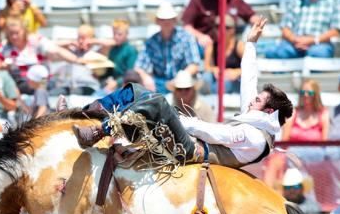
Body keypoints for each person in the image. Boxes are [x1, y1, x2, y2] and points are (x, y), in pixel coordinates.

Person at [75, 16, 293, 170]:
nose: (253, 99)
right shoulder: (256, 121)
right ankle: (85, 115)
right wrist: (251, 44)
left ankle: (99, 132)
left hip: (194, 150)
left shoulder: (255, 136)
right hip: (192, 141)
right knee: (137, 89)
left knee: (156, 101)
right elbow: (249, 79)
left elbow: (213, 134)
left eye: (259, 99)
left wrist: (177, 119)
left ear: (269, 110)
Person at [0, 17, 82, 94]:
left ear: (24, 31)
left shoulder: (37, 41)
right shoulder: (4, 47)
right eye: (11, 34)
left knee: (55, 89)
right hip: (19, 84)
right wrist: (1, 66)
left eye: (17, 33)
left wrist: (77, 61)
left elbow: (56, 51)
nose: (14, 37)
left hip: (43, 81)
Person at [134, 2, 202, 94]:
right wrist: (146, 78)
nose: (166, 22)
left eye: (169, 19)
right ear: (157, 21)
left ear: (175, 20)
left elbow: (194, 65)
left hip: (183, 83)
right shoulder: (151, 42)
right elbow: (138, 67)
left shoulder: (186, 37)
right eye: (163, 19)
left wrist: (180, 78)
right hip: (159, 83)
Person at [202, 15, 244, 94]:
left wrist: (235, 72)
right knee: (206, 78)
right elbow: (206, 67)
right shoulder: (211, 45)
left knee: (224, 83)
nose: (221, 30)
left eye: (226, 27)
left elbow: (251, 68)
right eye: (218, 27)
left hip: (234, 81)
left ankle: (213, 102)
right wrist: (216, 70)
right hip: (217, 79)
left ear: (233, 30)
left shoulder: (239, 46)